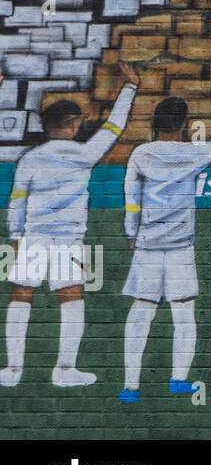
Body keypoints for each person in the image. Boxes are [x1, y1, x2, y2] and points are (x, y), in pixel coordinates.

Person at [2, 62, 138, 388]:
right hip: (68, 239)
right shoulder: (85, 154)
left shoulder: (29, 159)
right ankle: (64, 370)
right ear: (74, 125)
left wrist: (15, 236)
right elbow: (115, 125)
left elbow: (17, 202)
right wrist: (130, 87)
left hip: (33, 235)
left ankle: (12, 370)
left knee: (21, 295)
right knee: (72, 297)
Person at [119, 95, 211, 403]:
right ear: (185, 124)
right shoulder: (191, 154)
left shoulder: (141, 153)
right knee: (184, 315)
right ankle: (178, 379)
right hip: (180, 247)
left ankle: (130, 386)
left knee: (141, 313)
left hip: (148, 244)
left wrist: (131, 231)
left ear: (155, 123)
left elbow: (131, 198)